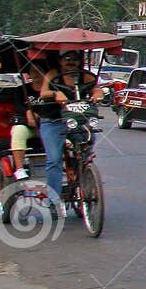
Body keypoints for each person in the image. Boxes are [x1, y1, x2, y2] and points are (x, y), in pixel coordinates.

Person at [33, 50, 104, 213]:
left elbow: (97, 90)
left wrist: (97, 95)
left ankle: (83, 179)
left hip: (78, 120)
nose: (71, 62)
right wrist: (55, 93)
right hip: (53, 121)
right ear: (60, 61)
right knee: (54, 159)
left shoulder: (85, 76)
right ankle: (53, 201)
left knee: (87, 147)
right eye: (67, 59)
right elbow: (43, 93)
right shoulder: (53, 74)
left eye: (74, 59)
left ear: (80, 62)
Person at [7, 60, 49, 180]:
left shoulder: (51, 89)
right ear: (29, 74)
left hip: (47, 125)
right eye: (33, 71)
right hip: (28, 126)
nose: (36, 74)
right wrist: (28, 112)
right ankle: (20, 169)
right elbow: (18, 106)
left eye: (39, 71)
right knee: (18, 131)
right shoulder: (21, 90)